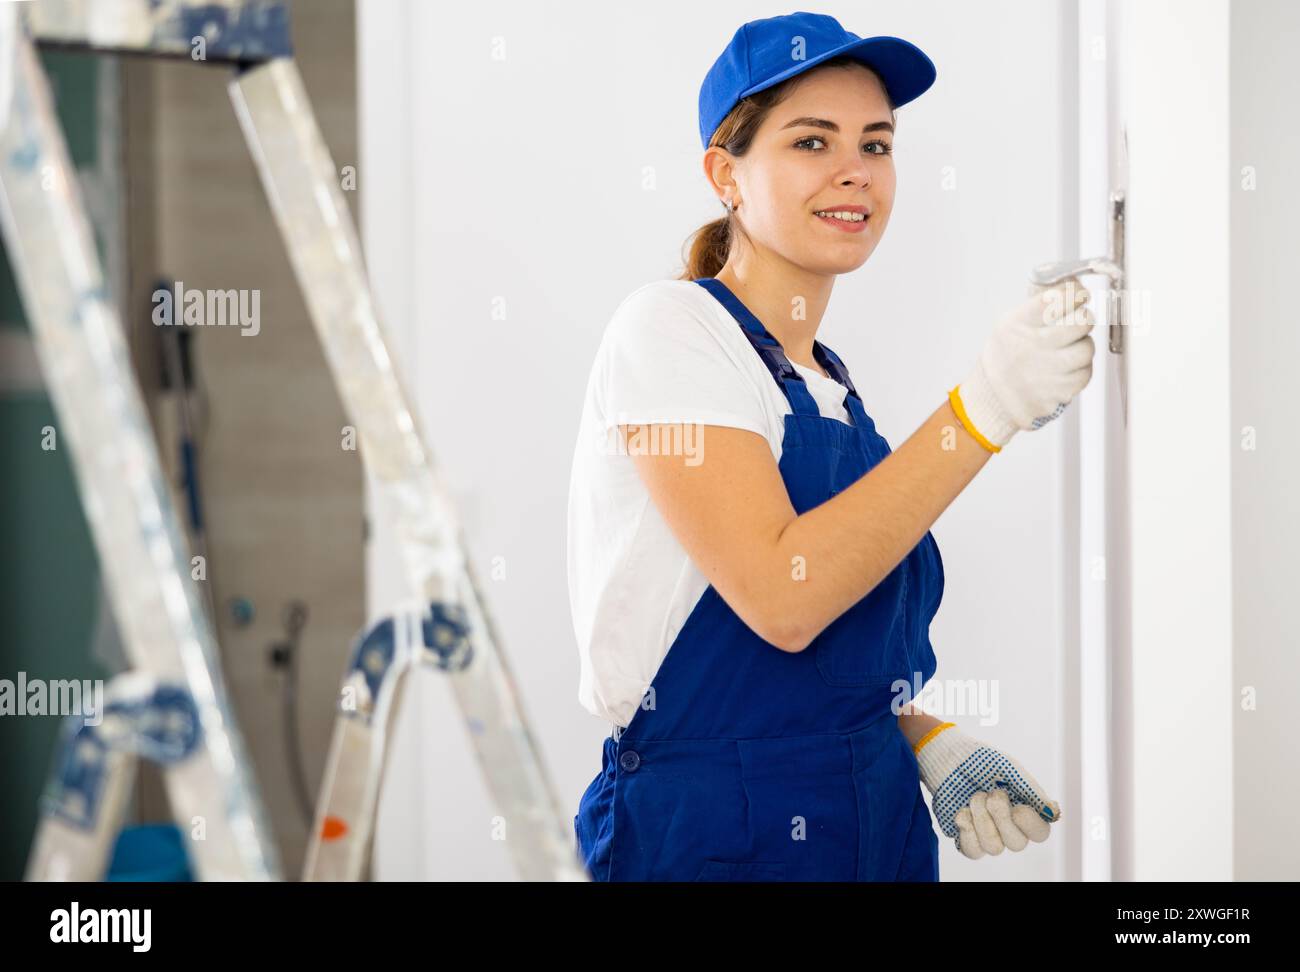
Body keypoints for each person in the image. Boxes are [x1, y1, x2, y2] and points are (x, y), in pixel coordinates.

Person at [567, 11, 1088, 881]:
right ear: (725, 174)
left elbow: (830, 641)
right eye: (812, 142)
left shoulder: (832, 390)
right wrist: (986, 407)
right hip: (715, 838)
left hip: (872, 819)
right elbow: (782, 595)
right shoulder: (666, 333)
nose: (855, 172)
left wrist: (919, 732)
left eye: (877, 145)